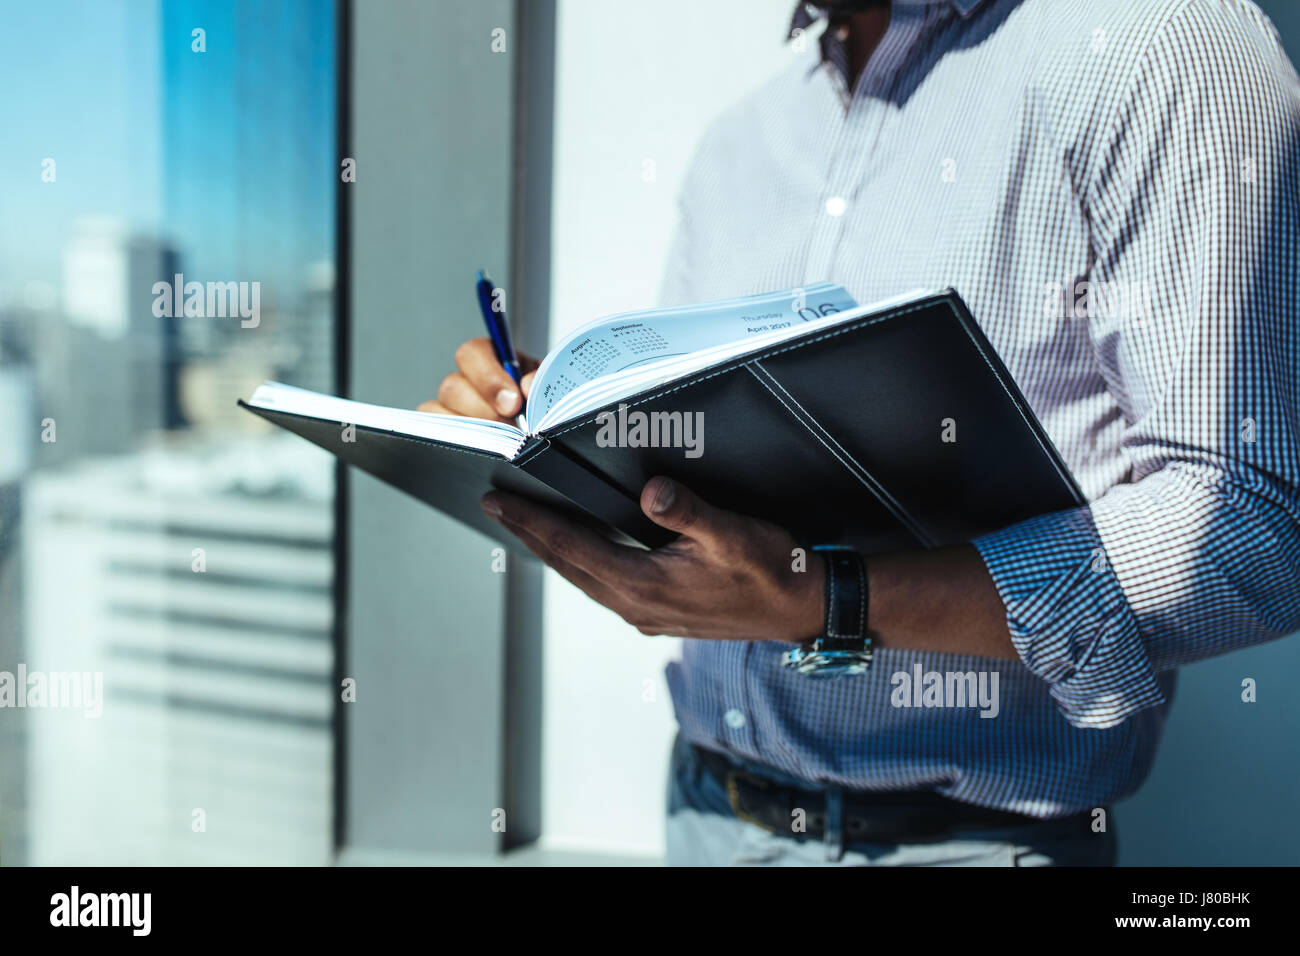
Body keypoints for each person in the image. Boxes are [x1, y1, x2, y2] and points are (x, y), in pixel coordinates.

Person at [423, 0, 1300, 865]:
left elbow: (1255, 521)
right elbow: (703, 478)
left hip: (967, 847)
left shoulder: (1159, 48)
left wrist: (830, 600)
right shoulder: (741, 141)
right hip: (704, 815)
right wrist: (561, 441)